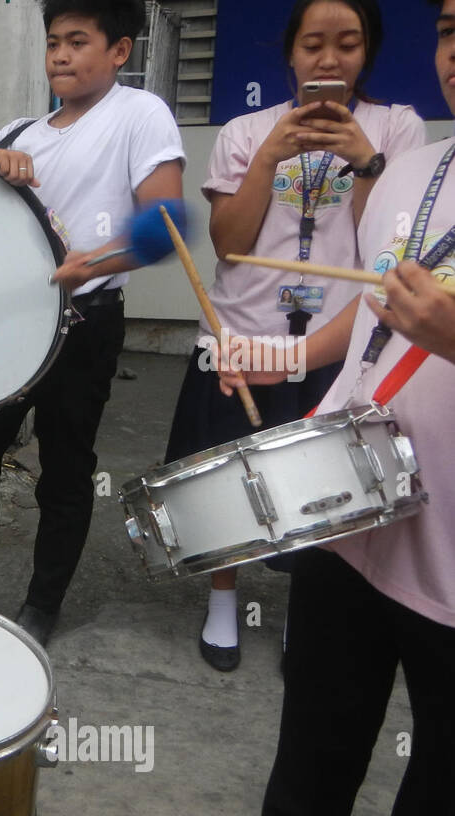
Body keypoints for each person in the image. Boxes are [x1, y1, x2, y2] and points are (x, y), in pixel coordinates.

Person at [177, 0, 455, 816]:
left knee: (445, 732)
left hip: (454, 517)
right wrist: (281, 352)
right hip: (353, 472)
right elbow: (373, 308)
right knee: (322, 694)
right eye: (452, 29)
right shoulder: (414, 173)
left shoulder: (393, 145)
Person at [163, 0, 425, 671]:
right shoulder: (247, 130)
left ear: (368, 52)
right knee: (224, 477)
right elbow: (227, 247)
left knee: (320, 494)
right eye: (313, 45)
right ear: (290, 54)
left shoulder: (396, 129)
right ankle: (223, 602)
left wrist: (368, 166)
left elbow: (390, 253)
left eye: (347, 44)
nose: (329, 61)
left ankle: (298, 617)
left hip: (335, 347)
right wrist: (269, 159)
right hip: (242, 337)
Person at [0, 0, 185, 646]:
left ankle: (41, 606)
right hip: (5, 323)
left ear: (120, 51)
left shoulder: (139, 115)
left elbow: (167, 229)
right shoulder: (15, 135)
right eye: (52, 43)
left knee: (66, 469)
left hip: (84, 321)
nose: (61, 56)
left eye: (78, 41)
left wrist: (92, 261)